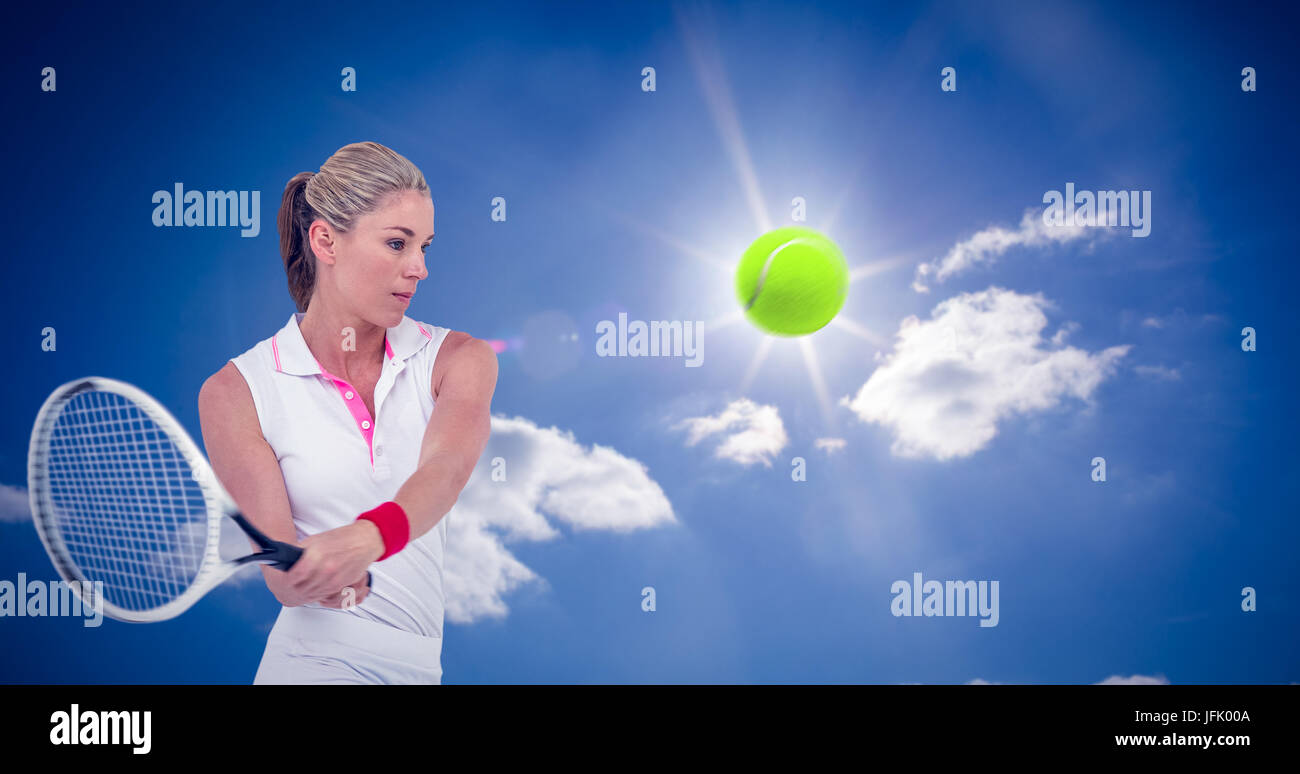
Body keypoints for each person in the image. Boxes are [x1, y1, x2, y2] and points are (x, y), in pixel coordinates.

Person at [197, 141, 497, 684]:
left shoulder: (457, 360)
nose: (420, 268)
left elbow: (445, 471)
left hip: (419, 668)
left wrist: (366, 539)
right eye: (397, 243)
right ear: (325, 240)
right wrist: (314, 577)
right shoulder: (236, 391)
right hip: (311, 665)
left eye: (425, 246)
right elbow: (283, 580)